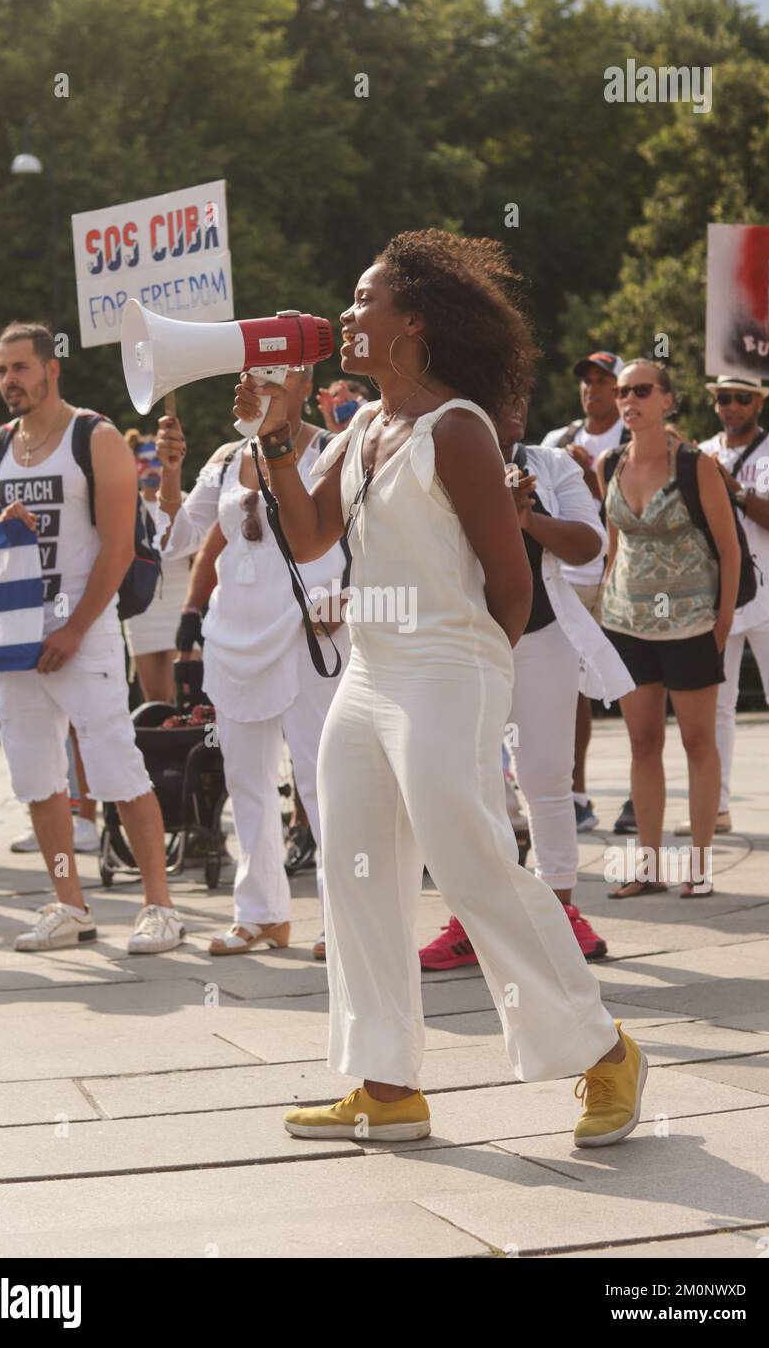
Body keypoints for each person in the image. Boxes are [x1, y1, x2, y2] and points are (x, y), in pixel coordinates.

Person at [233, 230, 647, 1147]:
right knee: (356, 871)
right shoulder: (361, 428)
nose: (345, 316)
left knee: (469, 863)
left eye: (362, 300)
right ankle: (386, 1086)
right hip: (371, 675)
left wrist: (476, 676)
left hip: (448, 669)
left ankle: (602, 1050)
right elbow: (305, 540)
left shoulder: (456, 427)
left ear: (412, 322)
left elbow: (512, 581)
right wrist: (271, 436)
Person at [0, 321, 183, 954]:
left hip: (83, 634)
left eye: (20, 369)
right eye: (1, 371)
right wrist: (1, 524)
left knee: (118, 768)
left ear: (50, 368)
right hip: (18, 644)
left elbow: (117, 550)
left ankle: (159, 907)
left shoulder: (97, 436)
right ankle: (68, 903)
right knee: (38, 782)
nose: (9, 382)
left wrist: (77, 628)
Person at [419, 398, 634, 967]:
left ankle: (558, 911)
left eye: (519, 393)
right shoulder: (437, 457)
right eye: (498, 393)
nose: (512, 404)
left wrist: (526, 517)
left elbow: (591, 545)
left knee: (546, 780)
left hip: (542, 640)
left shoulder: (554, 464)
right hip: (465, 642)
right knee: (471, 788)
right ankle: (473, 920)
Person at [155, 366, 349, 961]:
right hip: (234, 634)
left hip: (309, 630)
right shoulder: (223, 455)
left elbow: (365, 532)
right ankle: (261, 914)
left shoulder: (332, 449)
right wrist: (169, 469)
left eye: (272, 375)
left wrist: (345, 594)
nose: (257, 386)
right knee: (245, 779)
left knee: (323, 781)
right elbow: (178, 537)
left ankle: (344, 922)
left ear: (302, 378)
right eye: (251, 375)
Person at [595, 360, 740, 899]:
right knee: (642, 742)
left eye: (640, 390)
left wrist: (722, 622)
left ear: (666, 400)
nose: (628, 399)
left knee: (698, 740)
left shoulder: (695, 464)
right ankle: (649, 867)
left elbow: (728, 548)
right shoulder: (609, 462)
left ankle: (699, 866)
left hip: (691, 624)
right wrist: (599, 619)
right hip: (627, 623)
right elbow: (614, 547)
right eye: (621, 391)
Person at [685, 377, 769, 837]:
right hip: (723, 596)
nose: (731, 406)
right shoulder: (700, 451)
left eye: (741, 398)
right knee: (717, 707)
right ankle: (718, 806)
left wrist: (734, 489)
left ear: (759, 403)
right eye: (723, 398)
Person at [542, 351, 635, 835]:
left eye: (605, 381)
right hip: (572, 579)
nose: (592, 389)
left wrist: (596, 480)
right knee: (569, 686)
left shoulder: (636, 440)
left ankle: (640, 795)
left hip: (626, 578)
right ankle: (576, 794)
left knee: (637, 684)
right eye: (587, 380)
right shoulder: (558, 441)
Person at [121, 431, 191, 705]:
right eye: (143, 459)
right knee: (156, 702)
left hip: (180, 604)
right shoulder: (125, 505)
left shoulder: (185, 501)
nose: (151, 465)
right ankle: (162, 749)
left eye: (156, 458)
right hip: (142, 611)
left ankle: (197, 748)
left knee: (188, 696)